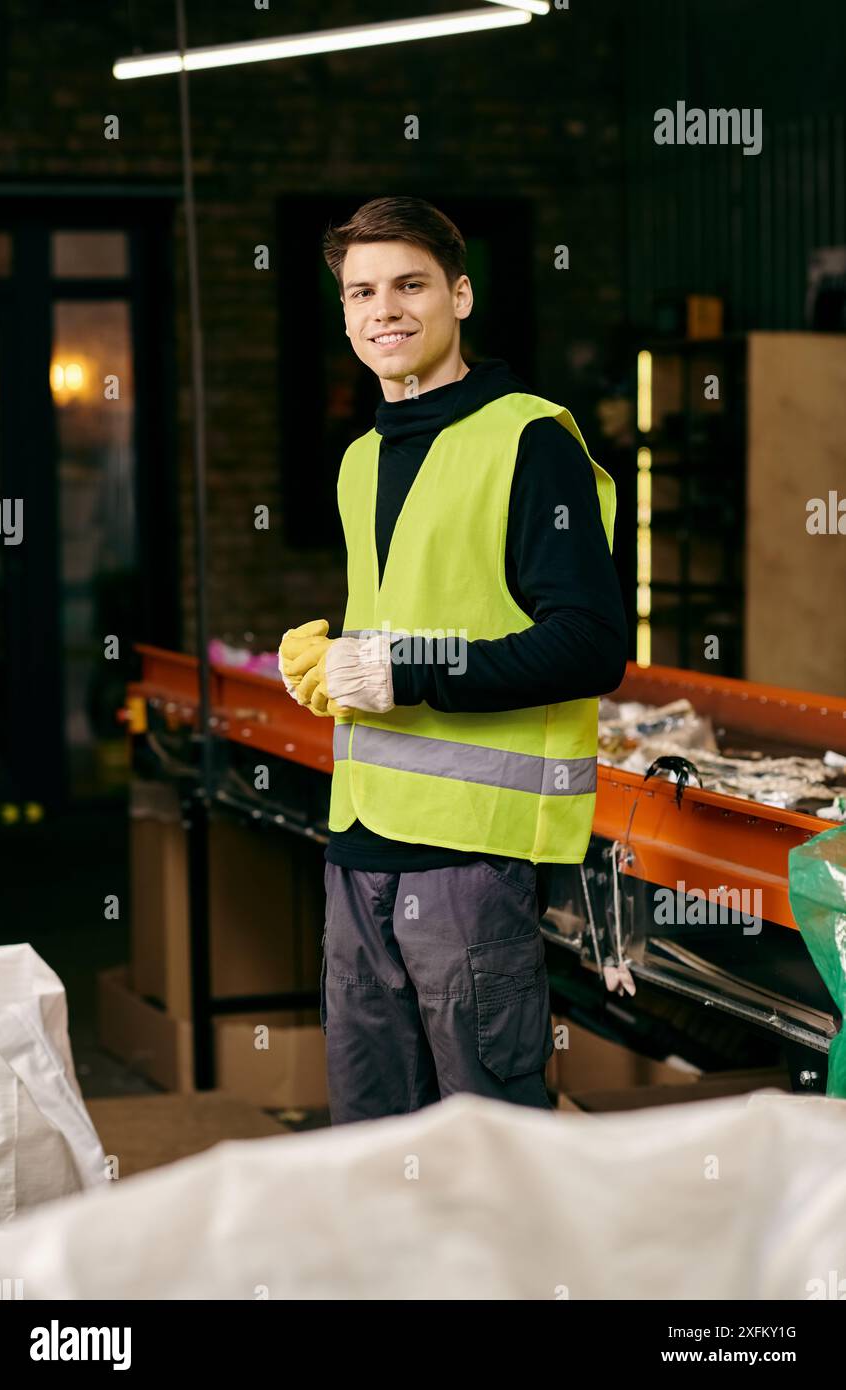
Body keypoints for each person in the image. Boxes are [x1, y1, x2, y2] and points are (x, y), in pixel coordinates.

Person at [279, 196, 627, 1124]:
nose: (382, 310)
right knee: (372, 1137)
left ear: (461, 295)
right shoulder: (360, 459)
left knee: (483, 1146)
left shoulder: (530, 442)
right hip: (359, 844)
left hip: (473, 858)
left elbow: (591, 644)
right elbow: (414, 618)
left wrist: (411, 672)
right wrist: (336, 663)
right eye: (360, 292)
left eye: (409, 285)